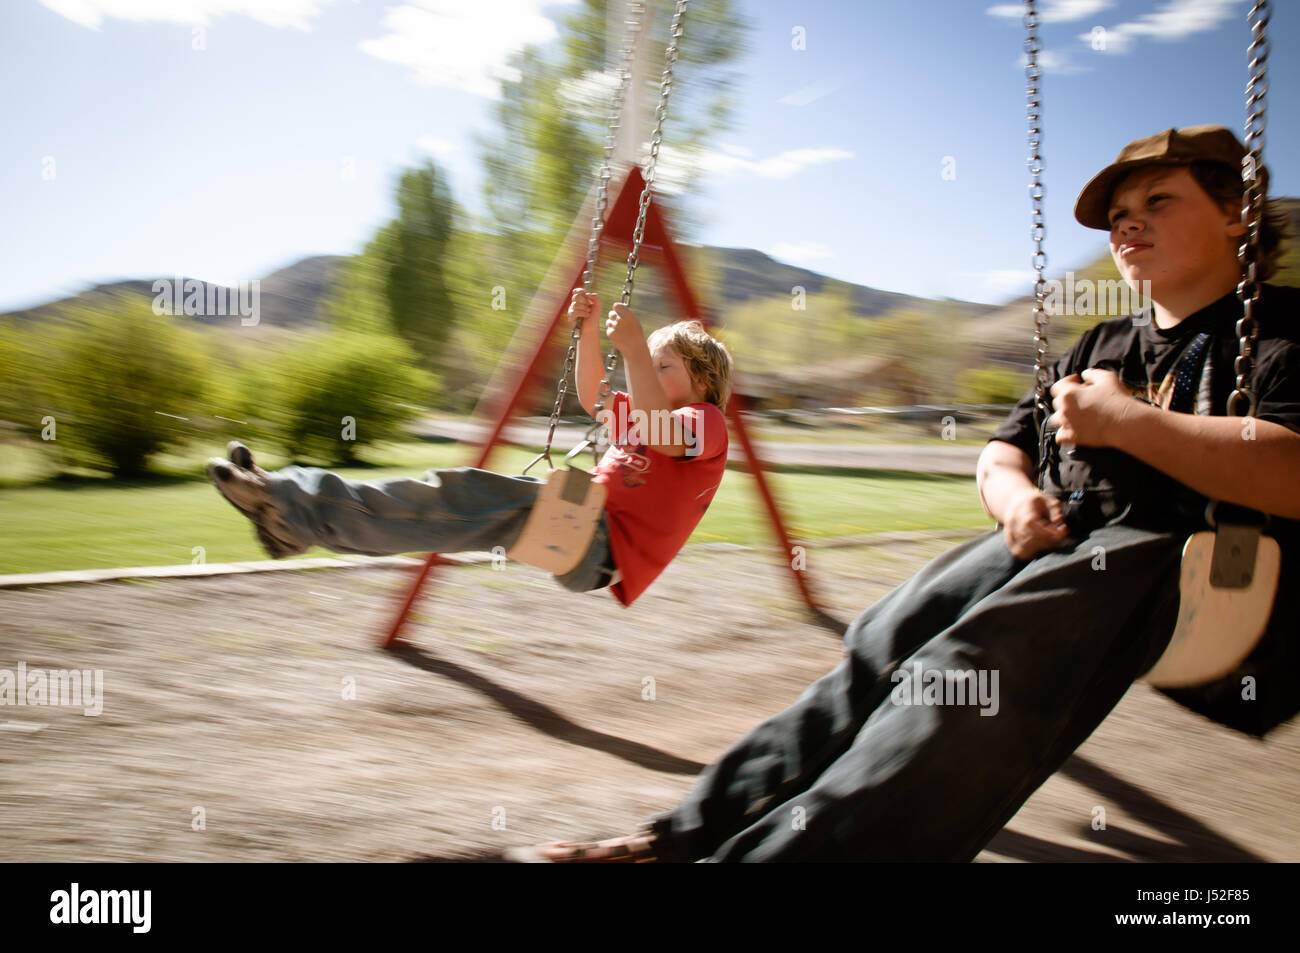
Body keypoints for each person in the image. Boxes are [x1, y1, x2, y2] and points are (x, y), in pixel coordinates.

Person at [509, 125, 1300, 862]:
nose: (1128, 224)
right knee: (884, 643)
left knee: (967, 675)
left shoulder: (1279, 333)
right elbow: (1001, 450)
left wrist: (1125, 423)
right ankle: (678, 839)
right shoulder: (1102, 341)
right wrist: (1015, 498)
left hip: (1188, 554)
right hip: (1057, 532)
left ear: (1238, 212)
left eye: (1159, 202)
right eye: (1120, 213)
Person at [206, 291, 733, 607]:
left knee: (455, 501)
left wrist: (638, 350)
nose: (651, 370)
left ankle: (290, 507)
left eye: (667, 366)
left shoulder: (706, 425)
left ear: (704, 381)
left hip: (599, 547)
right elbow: (593, 392)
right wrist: (591, 330)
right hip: (582, 521)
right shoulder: (643, 413)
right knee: (447, 505)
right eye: (654, 364)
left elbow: (663, 431)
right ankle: (293, 519)